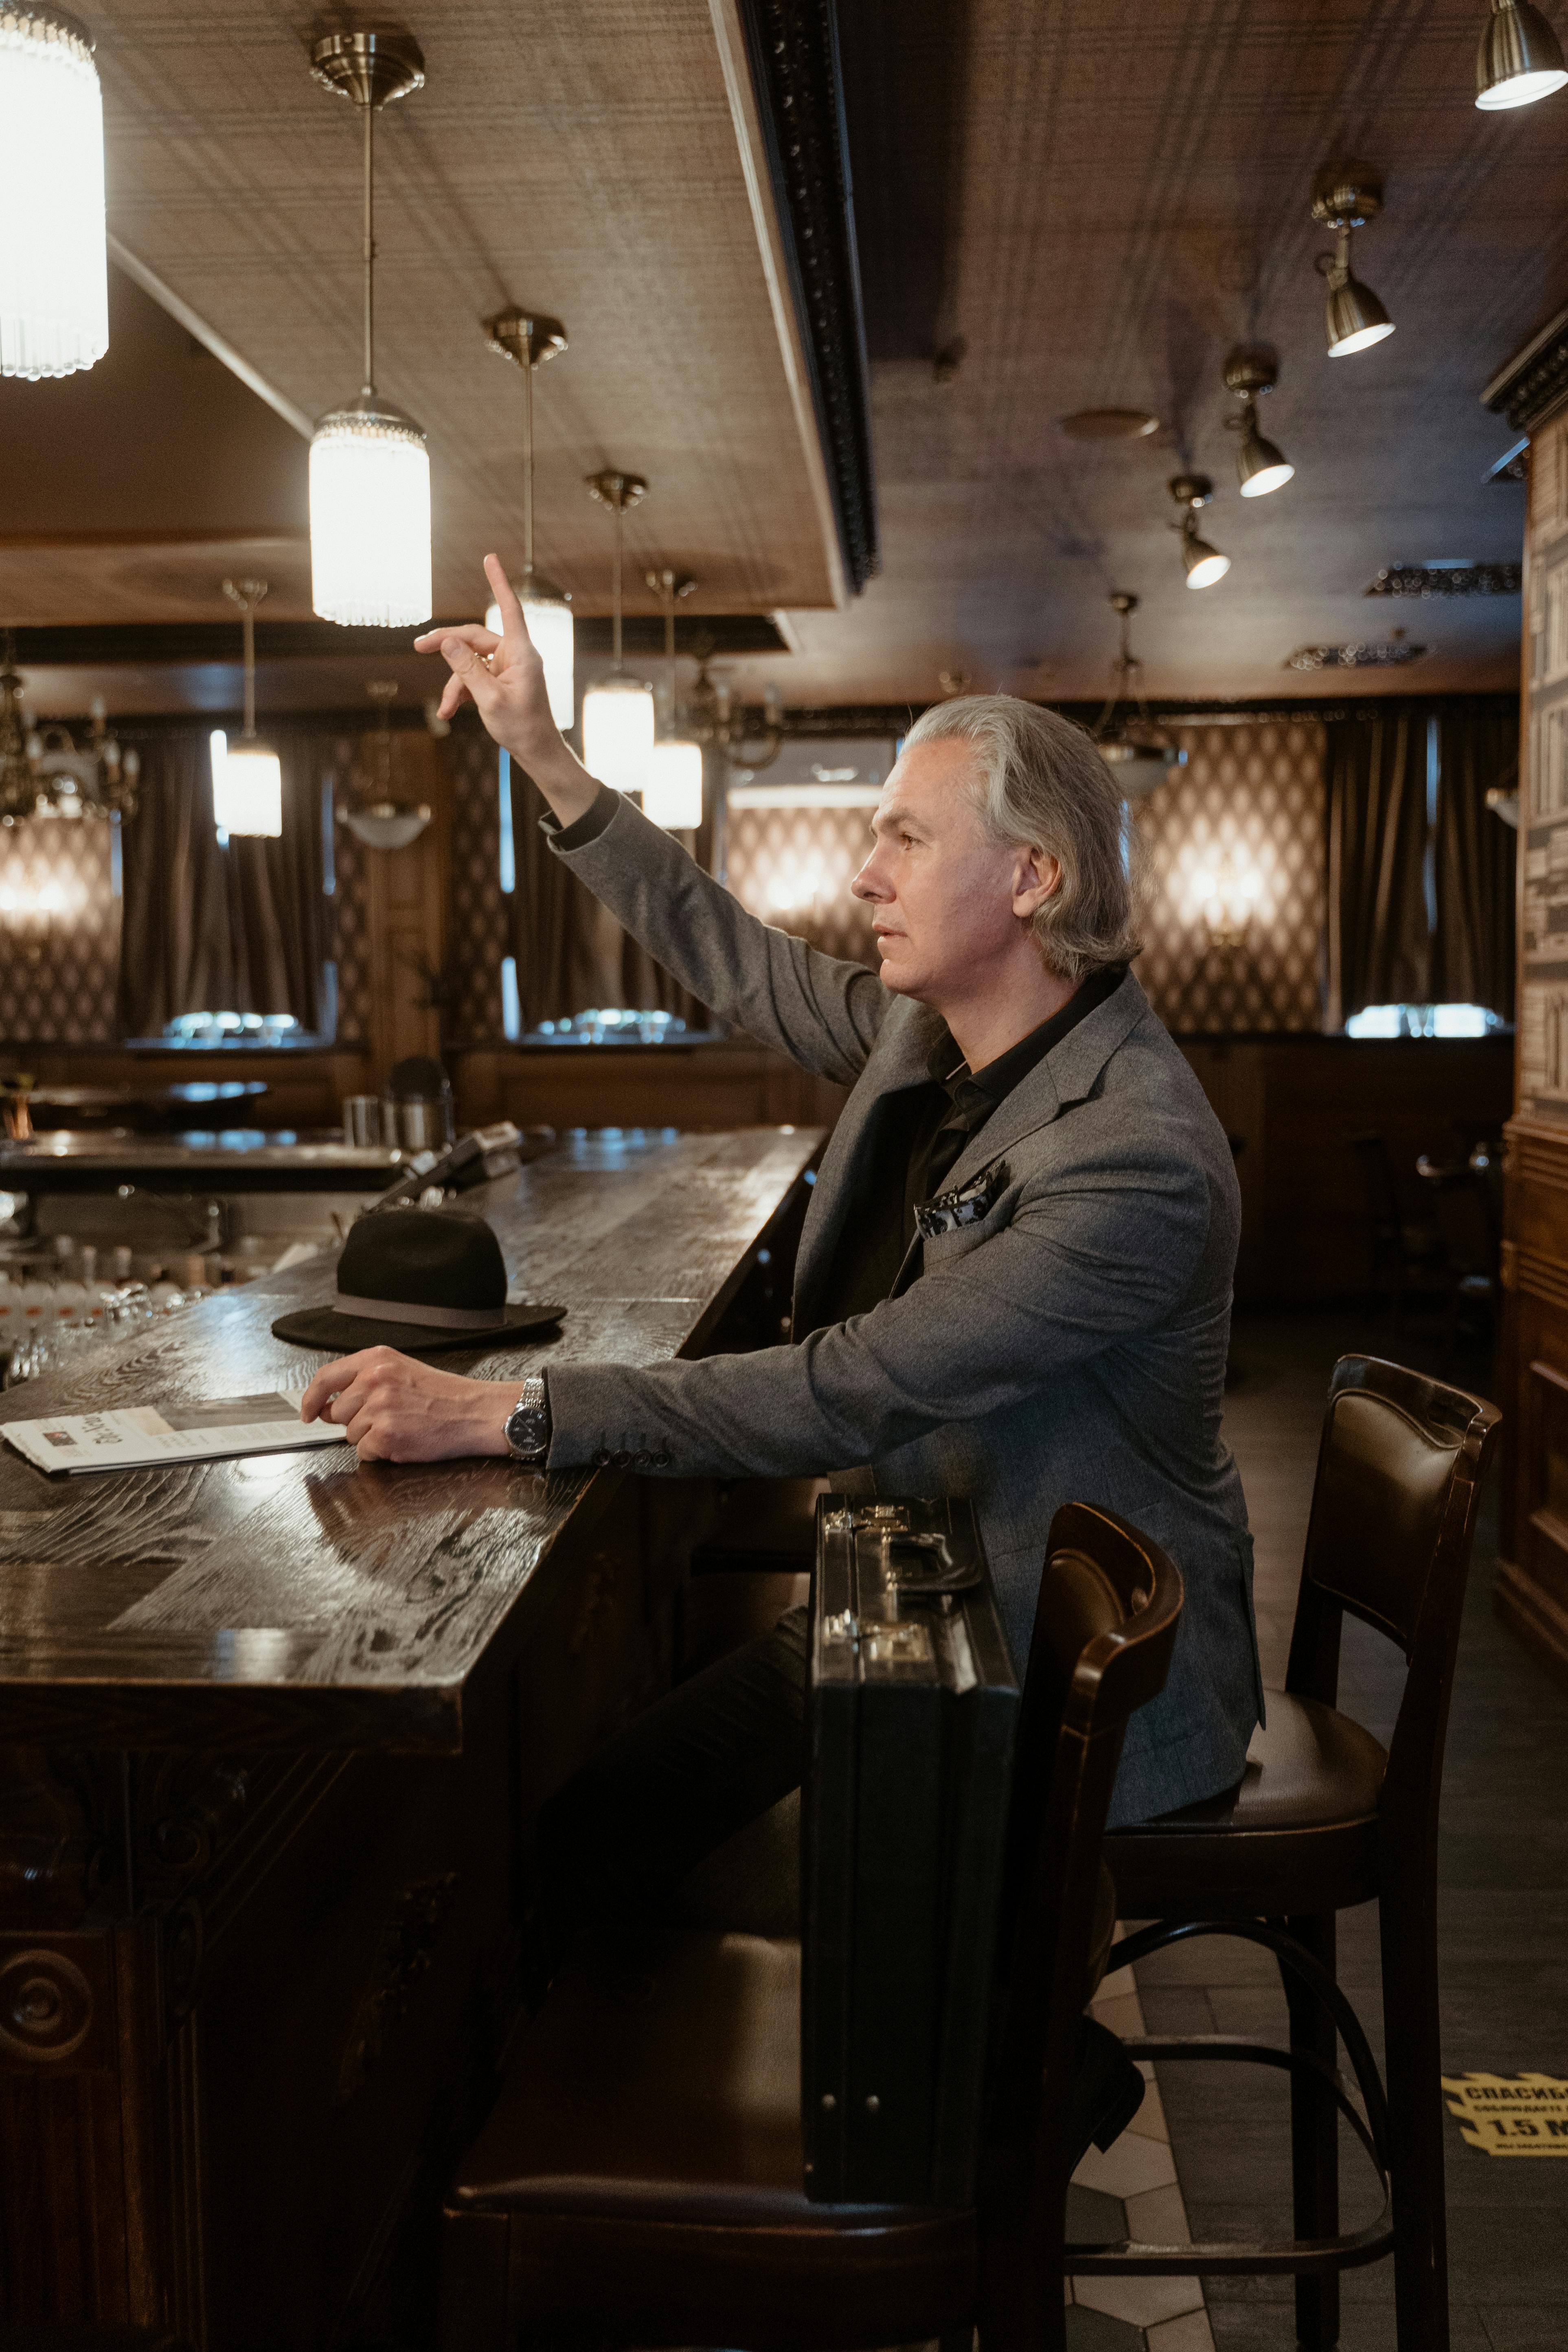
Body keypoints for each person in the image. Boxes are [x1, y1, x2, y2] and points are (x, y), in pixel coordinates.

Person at [299, 557, 1263, 2146]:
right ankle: (874, 2069)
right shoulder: (934, 1031)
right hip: (909, 1605)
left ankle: (967, 2098)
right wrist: (544, 753)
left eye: (905, 836)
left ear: (1031, 877)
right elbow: (729, 949)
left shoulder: (1134, 1151)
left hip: (1035, 1665)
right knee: (601, 1827)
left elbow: (852, 1384)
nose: (862, 869)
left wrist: (510, 1409)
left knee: (610, 1845)